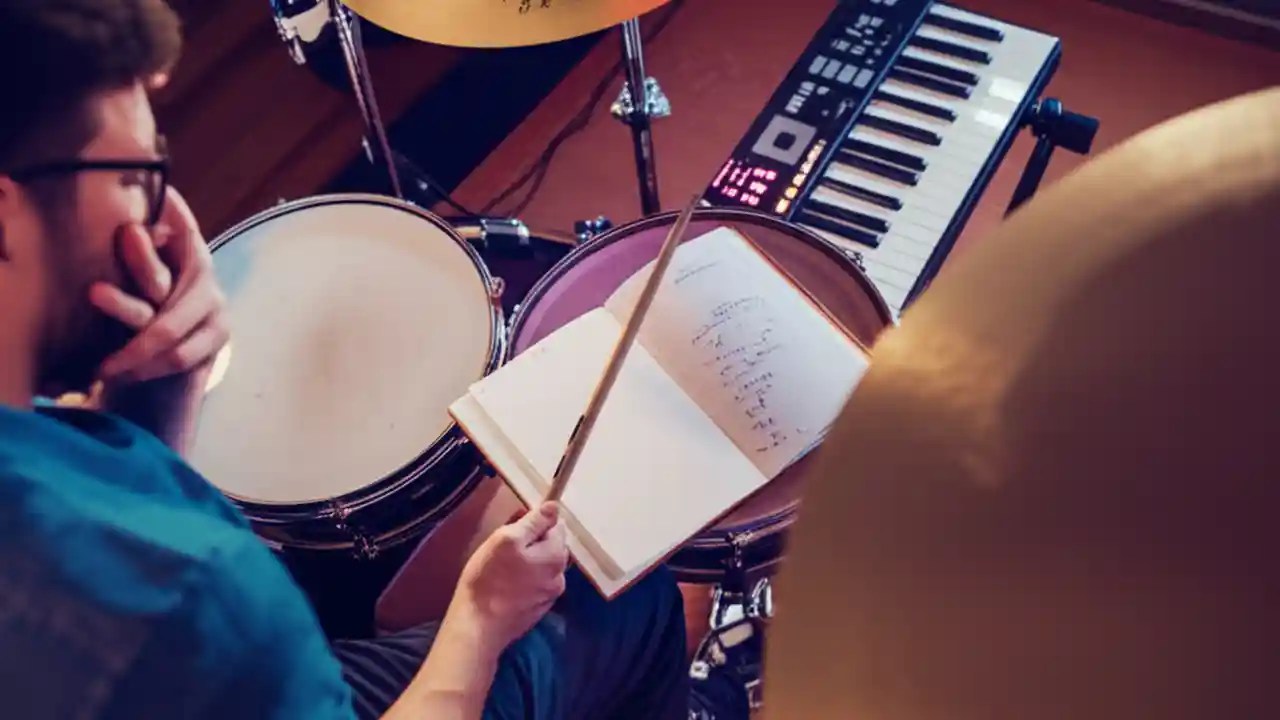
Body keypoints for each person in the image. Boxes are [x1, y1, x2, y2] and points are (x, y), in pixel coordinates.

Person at [0, 1, 690, 718]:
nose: (164, 212)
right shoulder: (191, 598)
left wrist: (162, 385)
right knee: (627, 607)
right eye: (134, 175)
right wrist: (479, 624)